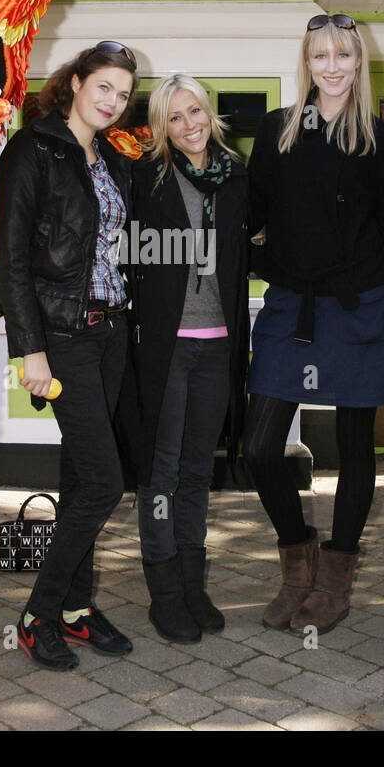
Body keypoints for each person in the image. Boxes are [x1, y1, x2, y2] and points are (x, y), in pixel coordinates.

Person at [244, 13, 384, 635]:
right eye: (320, 55)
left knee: (354, 448)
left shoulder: (377, 137)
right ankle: (297, 562)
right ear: (307, 62)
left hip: (359, 305)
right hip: (294, 306)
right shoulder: (277, 132)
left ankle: (335, 579)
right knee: (259, 446)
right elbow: (251, 217)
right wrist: (270, 265)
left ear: (357, 61)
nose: (332, 67)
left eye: (343, 54)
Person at [0, 41, 139, 671]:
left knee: (82, 478)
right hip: (64, 337)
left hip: (110, 334)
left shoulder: (109, 157)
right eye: (103, 86)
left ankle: (76, 611)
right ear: (75, 82)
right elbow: (13, 257)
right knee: (107, 481)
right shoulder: (34, 148)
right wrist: (31, 351)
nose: (112, 101)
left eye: (124, 94)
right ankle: (38, 613)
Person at [127, 75, 249, 642]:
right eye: (174, 118)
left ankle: (195, 586)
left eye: (194, 110)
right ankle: (165, 592)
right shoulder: (146, 179)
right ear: (162, 128)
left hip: (219, 345)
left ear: (210, 113)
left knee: (200, 471)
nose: (189, 124)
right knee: (162, 472)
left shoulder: (238, 176)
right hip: (167, 346)